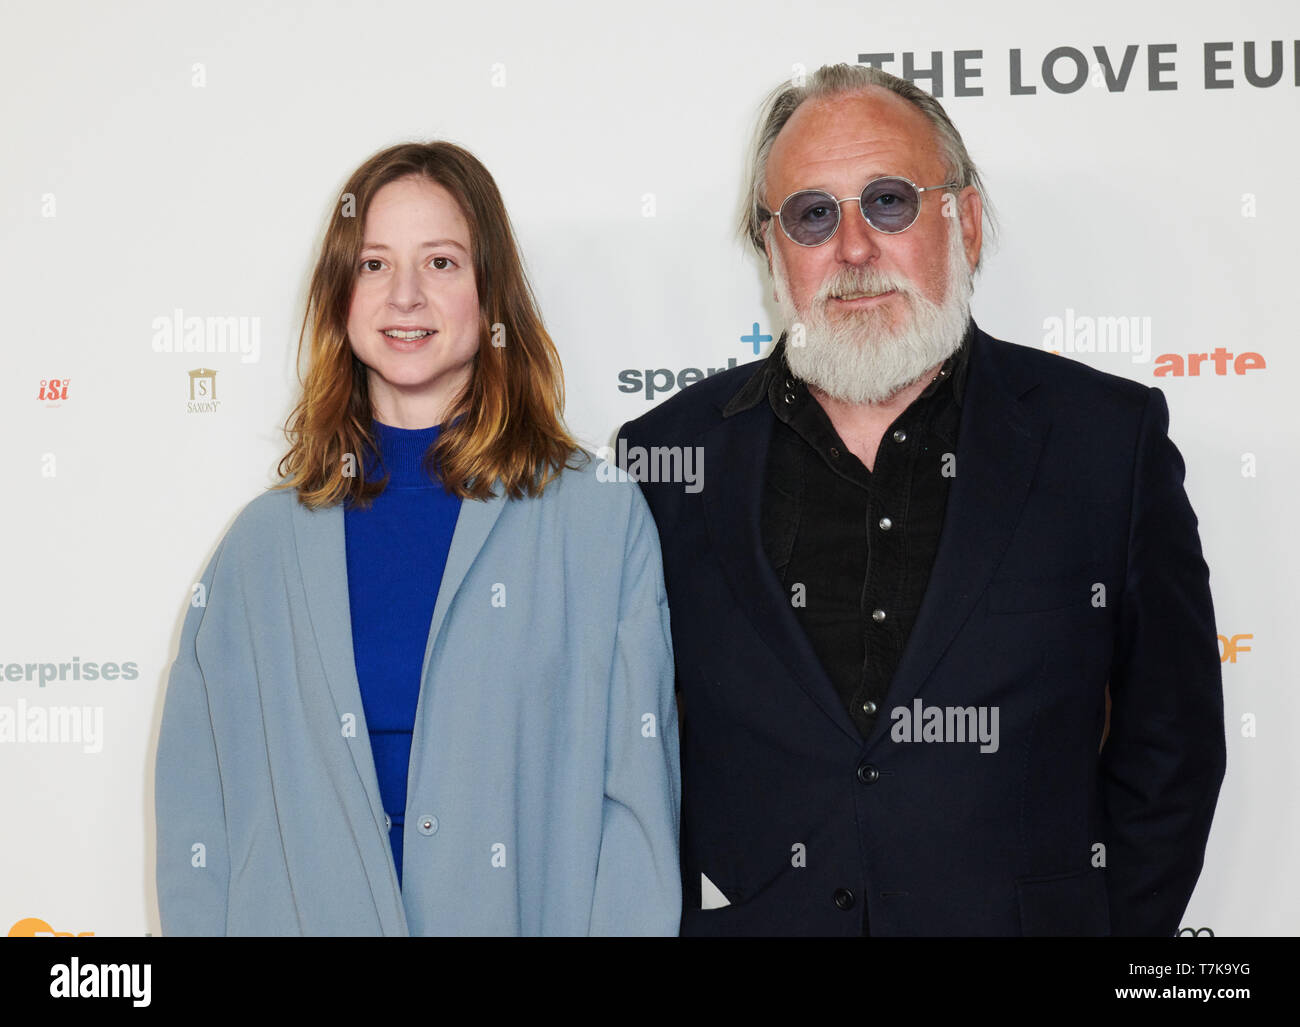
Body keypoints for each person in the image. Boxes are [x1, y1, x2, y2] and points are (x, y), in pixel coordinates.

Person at [616, 64, 1225, 936]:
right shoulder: (665, 457)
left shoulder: (1104, 440)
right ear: (771, 248)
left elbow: (1174, 747)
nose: (854, 248)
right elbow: (623, 759)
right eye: (813, 215)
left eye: (890, 201)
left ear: (965, 221)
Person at [155, 141, 681, 936]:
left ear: (490, 292)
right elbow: (201, 813)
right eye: (373, 264)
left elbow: (637, 813)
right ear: (339, 294)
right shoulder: (260, 549)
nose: (404, 295)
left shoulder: (597, 522)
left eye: (440, 262)